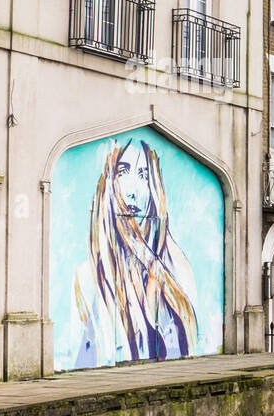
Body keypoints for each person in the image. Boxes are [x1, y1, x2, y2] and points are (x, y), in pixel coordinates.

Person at [71, 138, 200, 368]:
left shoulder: (177, 268)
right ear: (109, 183)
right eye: (123, 172)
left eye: (144, 175)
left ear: (154, 188)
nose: (134, 190)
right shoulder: (88, 277)